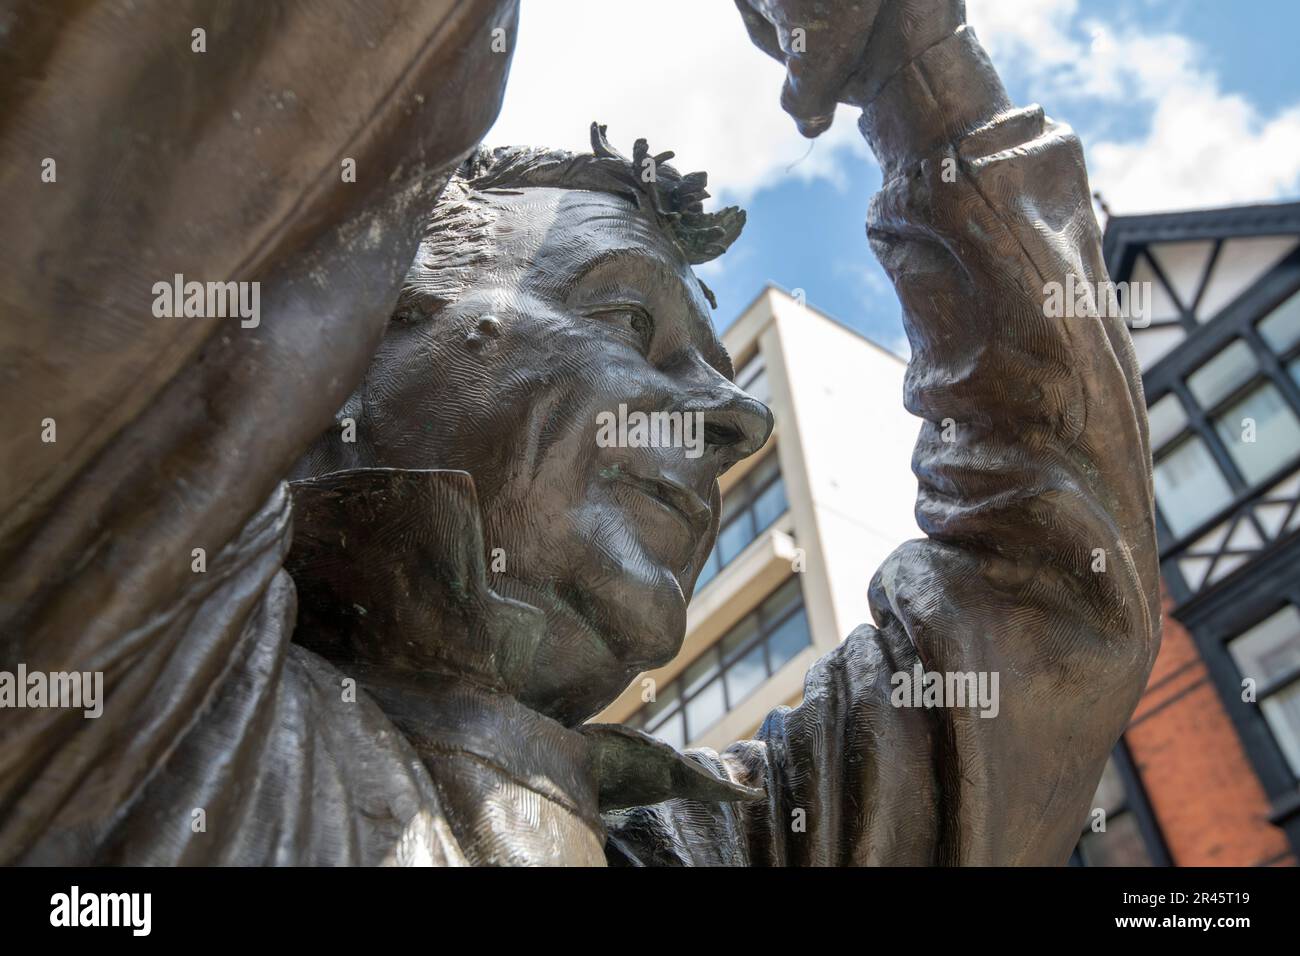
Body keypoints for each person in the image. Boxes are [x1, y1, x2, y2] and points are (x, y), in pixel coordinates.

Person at [0, 0, 1158, 865]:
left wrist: (916, 69)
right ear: (354, 338)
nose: (737, 420)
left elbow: (1051, 598)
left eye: (717, 377)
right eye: (625, 318)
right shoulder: (143, 666)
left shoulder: (722, 845)